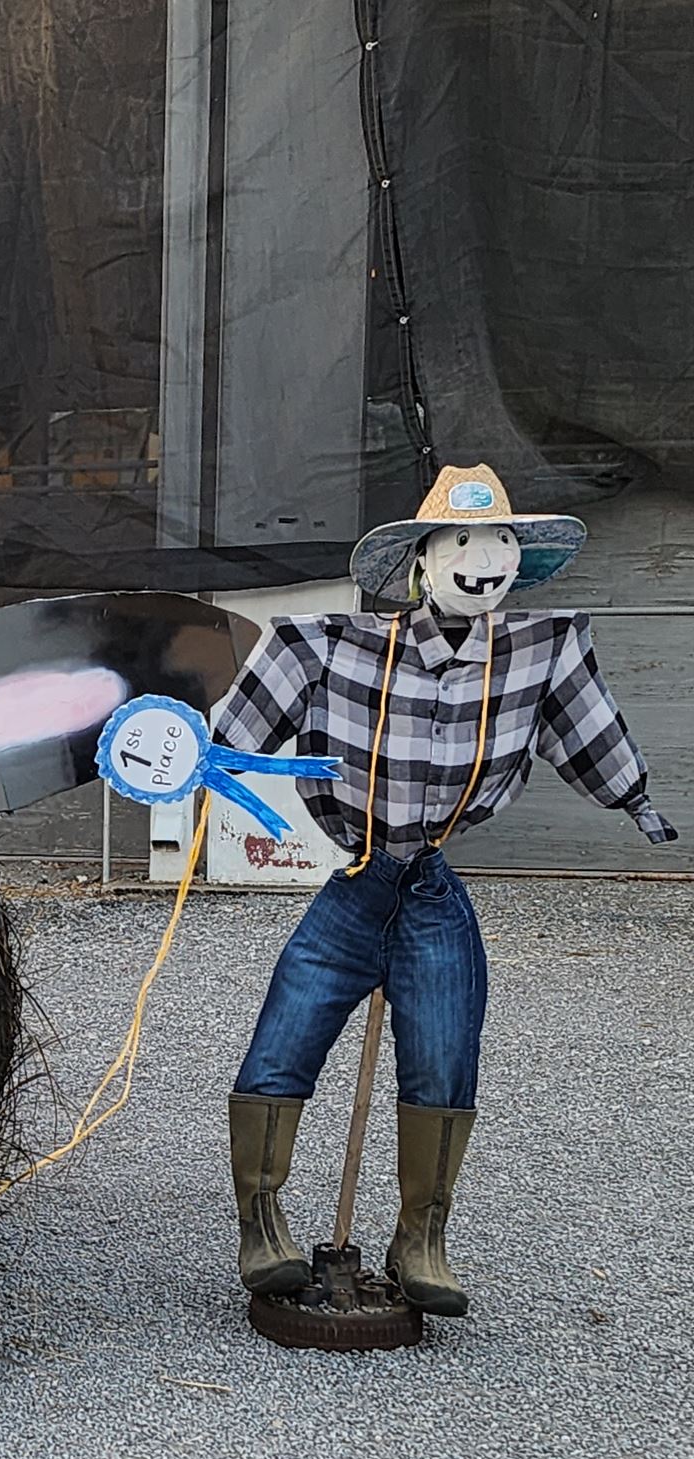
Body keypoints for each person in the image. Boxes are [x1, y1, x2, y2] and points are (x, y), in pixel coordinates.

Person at [213, 464, 677, 1315]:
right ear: (423, 560)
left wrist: (635, 800)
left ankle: (420, 1238)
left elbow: (590, 733)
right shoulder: (328, 644)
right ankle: (261, 1222)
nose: (482, 559)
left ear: (518, 562)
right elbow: (233, 737)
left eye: (499, 542)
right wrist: (192, 760)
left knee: (445, 1053)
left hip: (431, 888)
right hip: (359, 882)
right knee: (285, 1036)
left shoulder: (541, 651)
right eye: (462, 541)